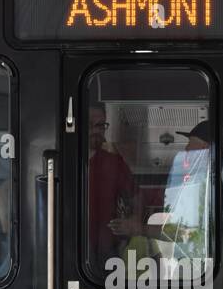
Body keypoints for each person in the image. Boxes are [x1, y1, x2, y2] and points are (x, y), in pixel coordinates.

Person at [110, 120, 212, 261]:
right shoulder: (202, 183)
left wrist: (140, 229)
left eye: (191, 143)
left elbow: (186, 232)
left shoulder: (204, 187)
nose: (187, 149)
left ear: (205, 149)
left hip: (197, 265)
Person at [87, 101, 137, 263]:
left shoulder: (114, 162)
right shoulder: (65, 163)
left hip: (108, 252)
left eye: (101, 125)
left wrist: (134, 222)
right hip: (70, 247)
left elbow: (136, 196)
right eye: (90, 124)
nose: (96, 130)